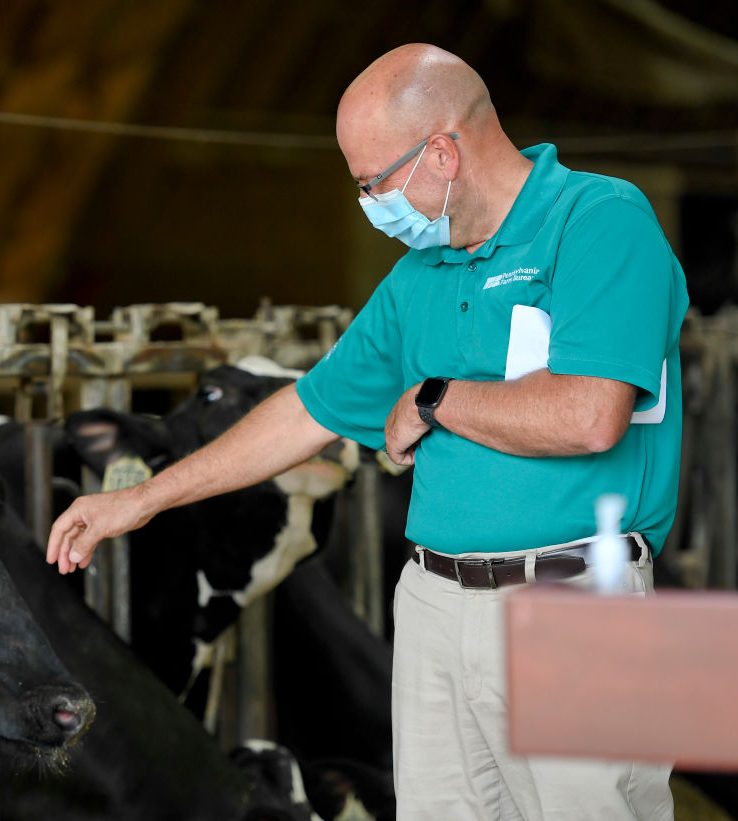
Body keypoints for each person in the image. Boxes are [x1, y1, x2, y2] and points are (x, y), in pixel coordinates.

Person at [48, 42, 687, 820]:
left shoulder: (599, 221)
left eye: (372, 182)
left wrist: (435, 399)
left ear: (442, 152)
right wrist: (142, 499)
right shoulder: (418, 278)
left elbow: (591, 415)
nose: (369, 205)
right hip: (434, 603)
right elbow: (306, 409)